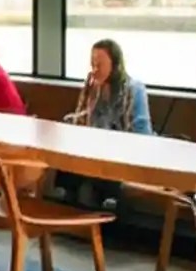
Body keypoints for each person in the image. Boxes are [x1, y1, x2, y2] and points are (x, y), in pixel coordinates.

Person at [53, 39, 152, 209]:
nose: (95, 69)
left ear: (115, 65)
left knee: (102, 167)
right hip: (97, 151)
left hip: (125, 152)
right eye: (93, 64)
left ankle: (106, 205)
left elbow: (143, 134)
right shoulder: (94, 88)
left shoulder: (134, 90)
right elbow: (85, 119)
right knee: (72, 157)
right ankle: (64, 197)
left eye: (100, 65)